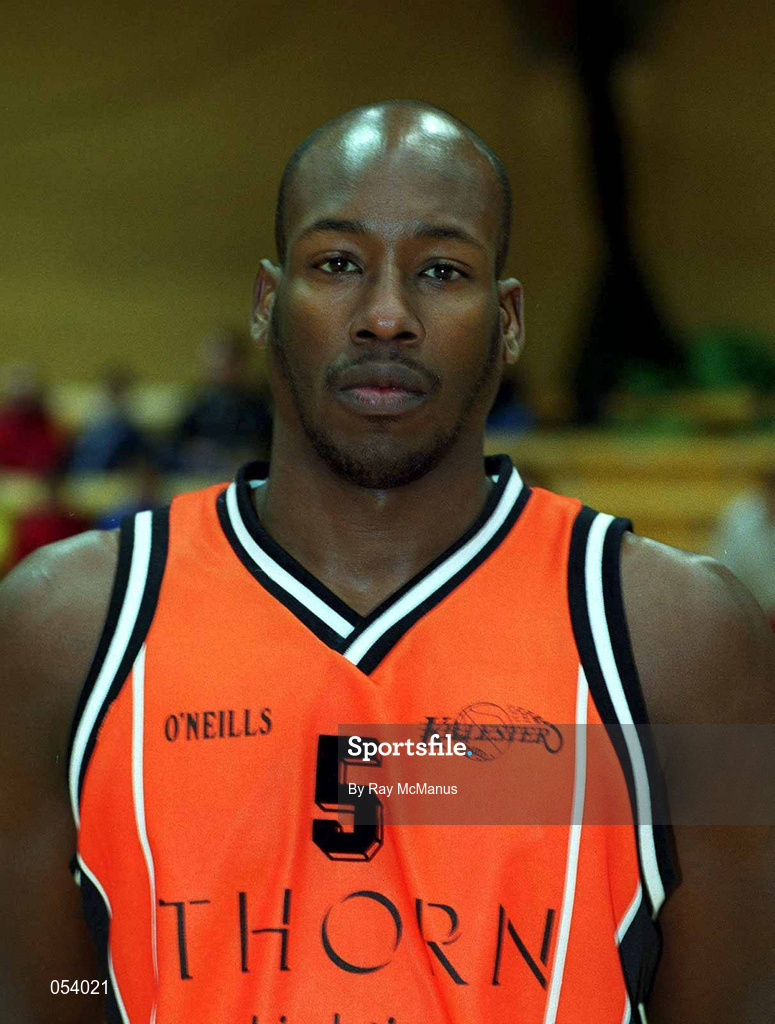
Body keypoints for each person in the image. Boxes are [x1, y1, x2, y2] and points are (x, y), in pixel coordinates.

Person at [0, 101, 772, 1024]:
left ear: (509, 320)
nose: (385, 316)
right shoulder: (64, 632)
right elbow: (53, 993)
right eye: (336, 263)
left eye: (441, 270)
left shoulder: (679, 643)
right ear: (266, 302)